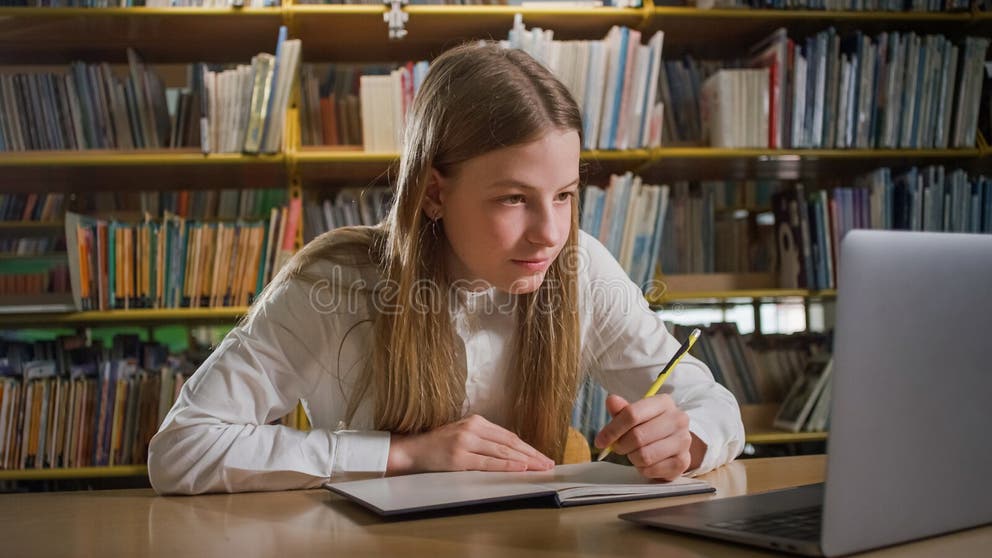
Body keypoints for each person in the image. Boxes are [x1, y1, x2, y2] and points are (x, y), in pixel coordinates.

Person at [147, 43, 744, 495]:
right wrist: (403, 455)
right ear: (434, 193)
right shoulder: (335, 285)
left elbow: (714, 404)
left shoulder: (581, 269)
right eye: (514, 198)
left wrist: (686, 439)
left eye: (564, 195)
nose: (551, 233)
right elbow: (181, 448)